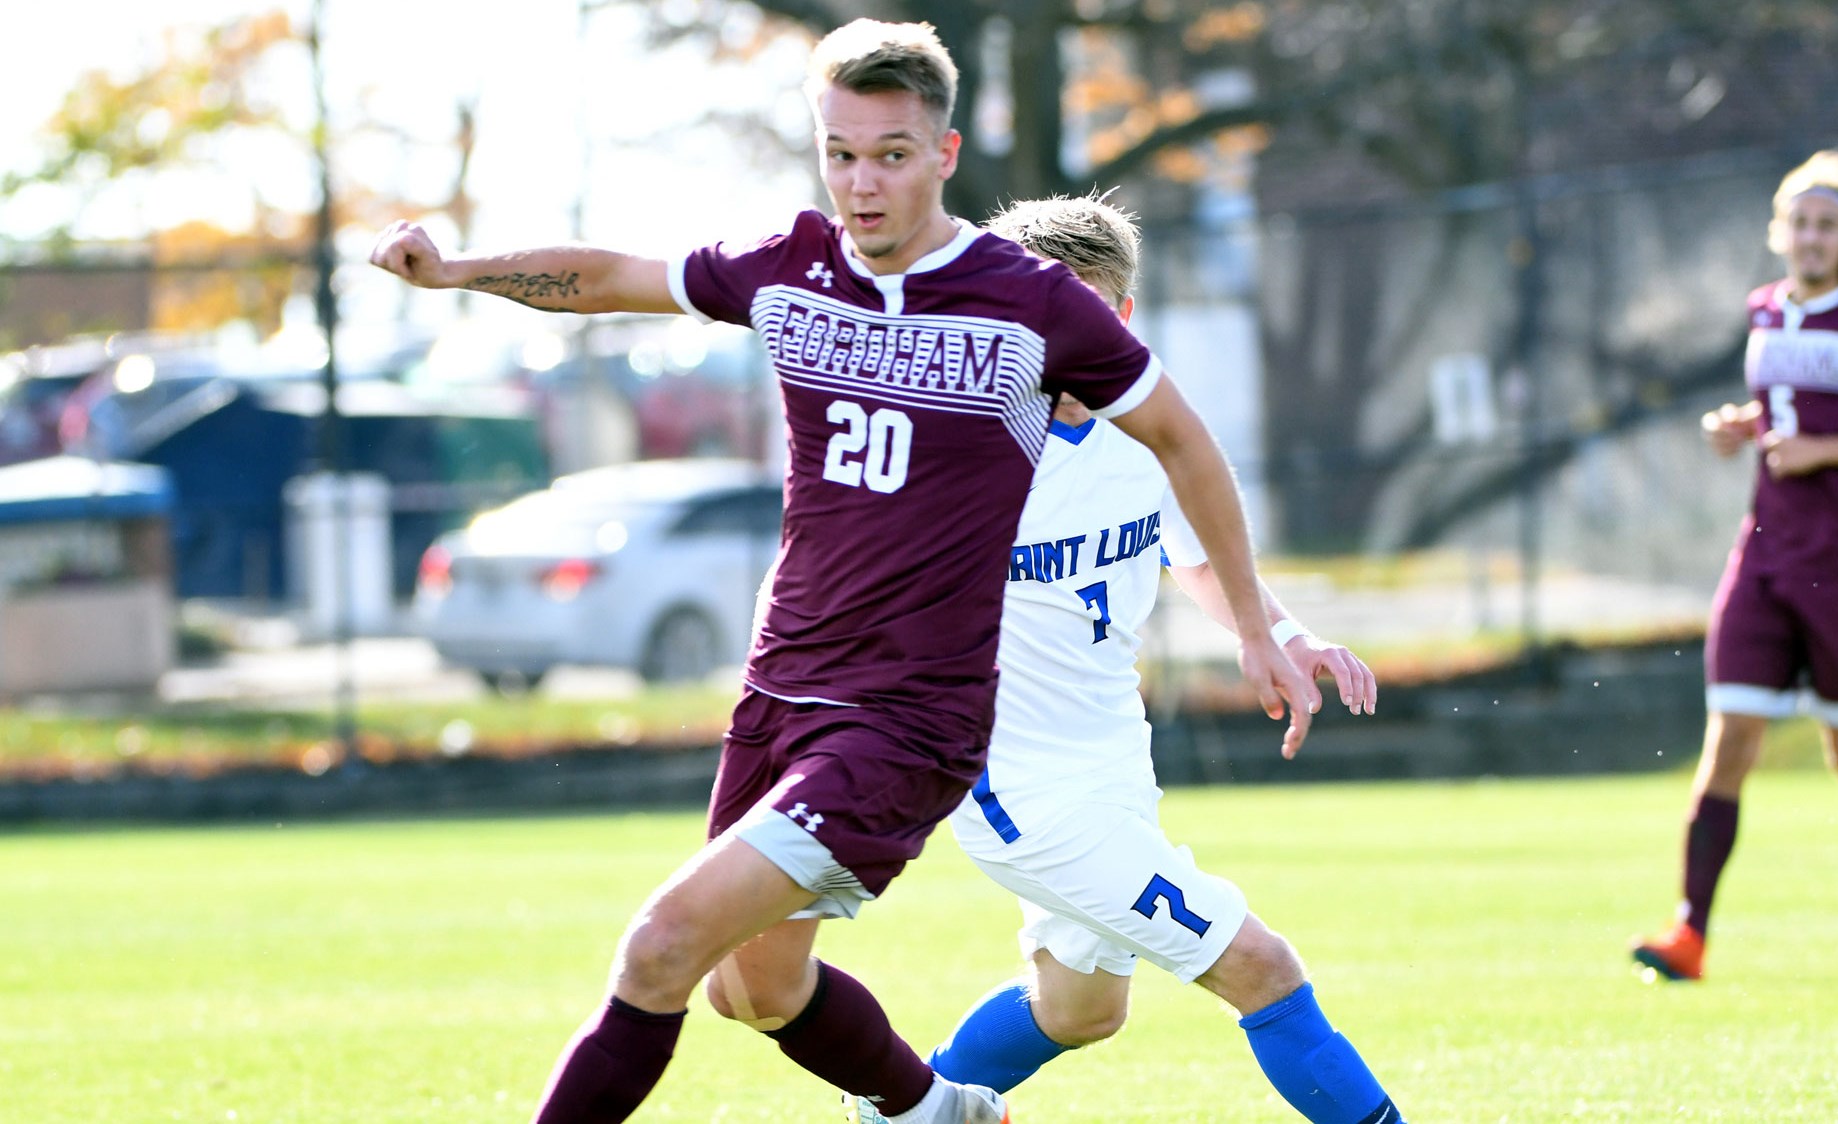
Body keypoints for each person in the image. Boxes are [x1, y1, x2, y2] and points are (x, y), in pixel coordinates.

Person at [369, 19, 1318, 1124]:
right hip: (781, 689)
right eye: (841, 153)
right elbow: (614, 275)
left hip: (907, 713)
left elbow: (1184, 442)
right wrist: (456, 272)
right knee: (753, 989)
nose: (863, 184)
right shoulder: (790, 266)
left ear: (945, 153)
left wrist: (1259, 628)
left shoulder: (1032, 302)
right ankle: (940, 1112)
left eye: (892, 154)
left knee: (661, 943)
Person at [851, 194, 1403, 1124]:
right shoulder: (963, 446)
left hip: (1111, 761)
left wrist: (1283, 637)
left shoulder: (1151, 431)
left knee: (1081, 1008)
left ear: (1125, 315)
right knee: (1261, 966)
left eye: (1088, 313)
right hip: (1015, 787)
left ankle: (892, 1116)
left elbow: (1199, 560)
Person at [1630, 151, 1838, 983]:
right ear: (1781, 231)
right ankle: (1689, 935)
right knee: (1729, 735)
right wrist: (1735, 427)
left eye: (1828, 226)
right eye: (1800, 222)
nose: (1811, 237)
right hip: (1764, 556)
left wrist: (1821, 452)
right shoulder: (1765, 310)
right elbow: (1782, 411)